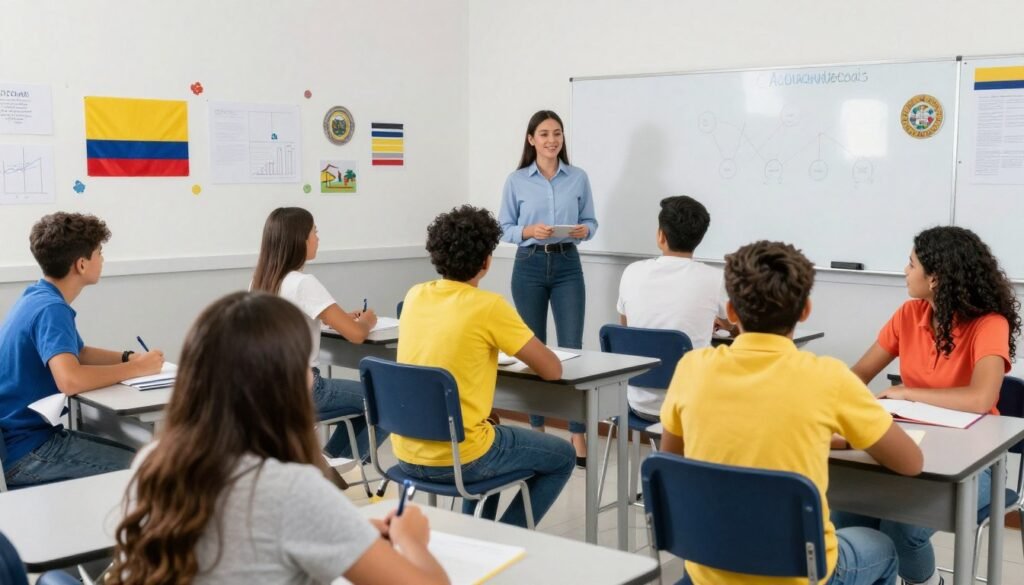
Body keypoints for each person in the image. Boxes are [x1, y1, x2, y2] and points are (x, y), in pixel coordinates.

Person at [109, 292, 448, 584]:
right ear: (284, 382)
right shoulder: (292, 490)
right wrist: (412, 539)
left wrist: (344, 533)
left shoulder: (153, 461)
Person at [660, 240, 924, 585]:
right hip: (800, 574)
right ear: (805, 310)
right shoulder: (828, 377)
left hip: (707, 567)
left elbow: (672, 465)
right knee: (883, 547)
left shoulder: (692, 367)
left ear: (732, 312)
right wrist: (842, 439)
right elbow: (911, 463)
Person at [834, 226, 1021, 585]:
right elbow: (858, 373)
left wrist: (906, 393)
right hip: (911, 448)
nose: (905, 270)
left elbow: (981, 398)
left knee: (901, 526)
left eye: (911, 264)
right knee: (846, 514)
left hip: (975, 464)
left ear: (934, 278)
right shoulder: (909, 314)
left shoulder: (988, 323)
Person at [395, 205, 576, 527]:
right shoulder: (489, 306)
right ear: (486, 262)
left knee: (490, 430)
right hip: (461, 458)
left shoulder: (414, 295)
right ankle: (505, 537)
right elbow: (552, 370)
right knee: (563, 456)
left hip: (406, 451)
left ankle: (480, 533)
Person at [0, 212, 164, 488]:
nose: (102, 259)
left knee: (137, 455)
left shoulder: (38, 296)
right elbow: (70, 379)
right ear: (82, 264)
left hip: (22, 441)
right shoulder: (52, 309)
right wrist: (138, 368)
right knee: (144, 466)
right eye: (99, 252)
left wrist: (129, 357)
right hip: (29, 452)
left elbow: (79, 352)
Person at [498, 109, 598, 466]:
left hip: (568, 262)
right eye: (544, 134)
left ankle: (577, 435)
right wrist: (528, 231)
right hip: (529, 265)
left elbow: (591, 221)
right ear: (531, 140)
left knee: (572, 347)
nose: (552, 140)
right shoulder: (516, 180)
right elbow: (504, 227)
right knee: (532, 348)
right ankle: (536, 431)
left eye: (557, 133)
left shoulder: (578, 177)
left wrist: (585, 231)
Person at [251, 207, 386, 460]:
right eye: (314, 231)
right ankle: (333, 471)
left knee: (367, 406)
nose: (317, 238)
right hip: (306, 390)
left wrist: (339, 319)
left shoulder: (260, 281)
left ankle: (328, 465)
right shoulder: (303, 283)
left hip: (267, 389)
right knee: (386, 401)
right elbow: (356, 335)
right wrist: (366, 321)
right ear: (299, 240)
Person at [616, 195, 730, 421]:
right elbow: (737, 327)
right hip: (690, 409)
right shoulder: (714, 279)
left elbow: (626, 330)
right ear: (699, 238)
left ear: (661, 236)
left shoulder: (632, 272)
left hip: (638, 403)